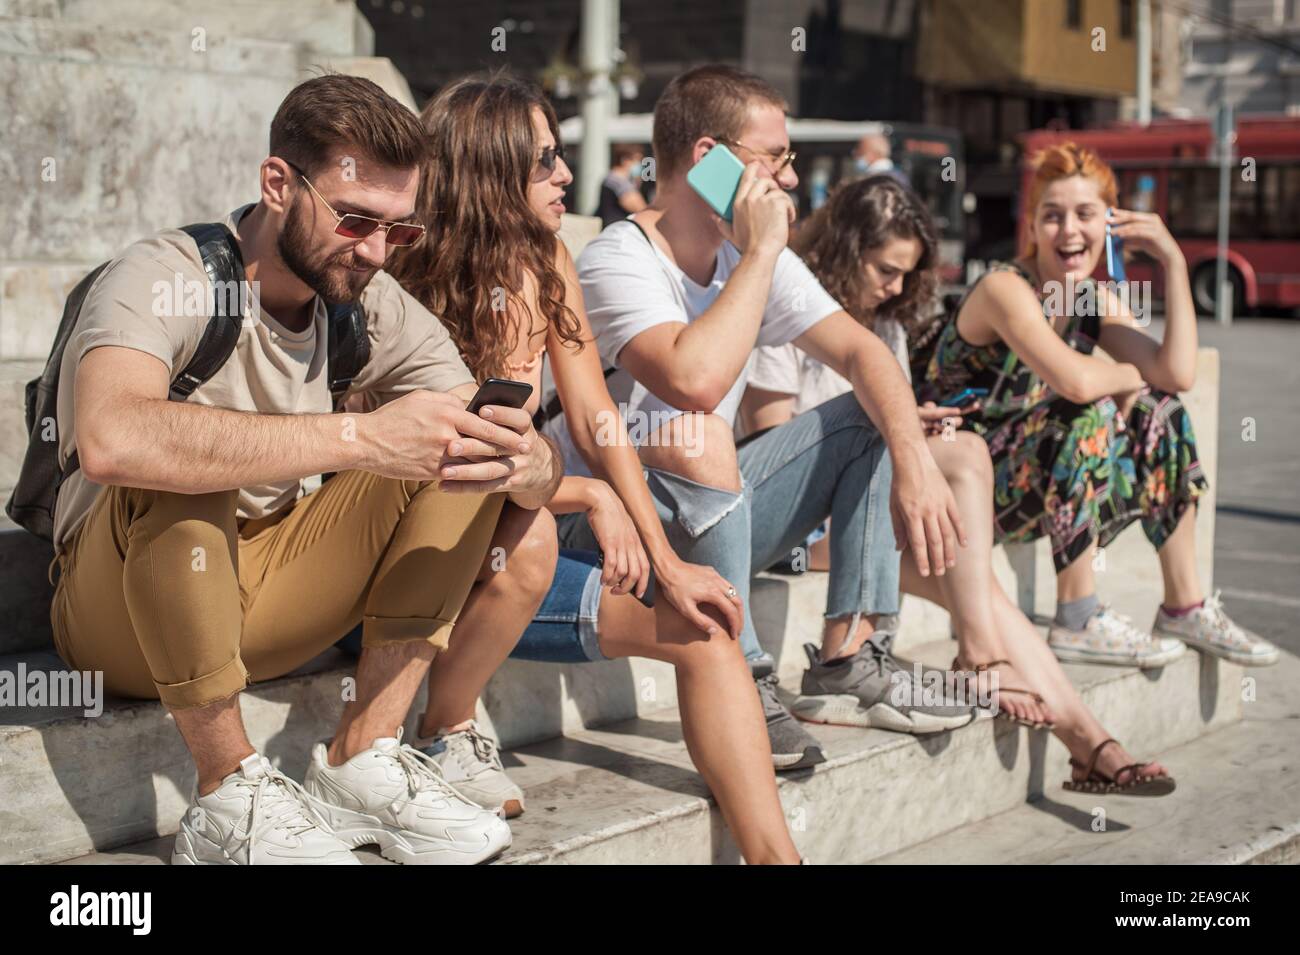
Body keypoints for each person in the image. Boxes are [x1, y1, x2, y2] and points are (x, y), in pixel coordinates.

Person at [47, 74, 564, 865]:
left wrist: (527, 460)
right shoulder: (166, 274)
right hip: (118, 613)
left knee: (453, 443)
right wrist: (360, 442)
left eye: (401, 232)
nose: (375, 252)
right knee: (186, 456)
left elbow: (512, 453)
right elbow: (112, 438)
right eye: (355, 220)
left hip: (266, 598)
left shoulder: (369, 300)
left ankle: (364, 754)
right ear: (277, 183)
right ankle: (227, 795)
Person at [374, 73, 802, 864]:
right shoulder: (402, 274)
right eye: (545, 161)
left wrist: (667, 562)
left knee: (705, 630)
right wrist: (583, 491)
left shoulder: (549, 261)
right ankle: (444, 729)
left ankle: (777, 859)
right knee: (532, 537)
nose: (568, 175)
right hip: (407, 564)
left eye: (561, 156)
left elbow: (600, 421)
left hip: (503, 559)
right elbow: (434, 463)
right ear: (490, 170)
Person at [542, 64, 978, 769]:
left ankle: (849, 657)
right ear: (707, 160)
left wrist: (917, 466)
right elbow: (693, 380)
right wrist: (767, 248)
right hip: (601, 526)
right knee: (699, 432)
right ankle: (742, 674)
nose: (786, 176)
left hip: (708, 515)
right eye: (771, 157)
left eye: (788, 159)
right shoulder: (617, 258)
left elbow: (866, 353)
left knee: (869, 413)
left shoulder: (750, 256)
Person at [743, 175, 1176, 795]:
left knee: (975, 544)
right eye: (884, 269)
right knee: (967, 470)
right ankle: (1046, 710)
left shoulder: (885, 330)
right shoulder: (784, 317)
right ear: (843, 249)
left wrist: (912, 434)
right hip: (797, 530)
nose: (895, 288)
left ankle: (1089, 743)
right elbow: (775, 450)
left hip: (860, 523)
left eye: (906, 275)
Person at [917, 142, 1276, 669]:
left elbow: (1177, 374)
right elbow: (1076, 383)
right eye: (1052, 216)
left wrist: (1173, 261)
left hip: (1029, 481)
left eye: (1085, 215)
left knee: (1161, 411)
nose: (1069, 231)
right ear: (1032, 227)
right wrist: (1129, 378)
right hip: (956, 486)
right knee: (1085, 411)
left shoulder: (1089, 300)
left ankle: (1184, 605)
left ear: (1109, 225)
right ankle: (1078, 616)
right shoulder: (1003, 288)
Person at [596, 143, 649, 228]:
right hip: (615, 230)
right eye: (637, 160)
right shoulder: (617, 181)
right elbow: (640, 208)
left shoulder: (614, 178)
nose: (640, 164)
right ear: (624, 160)